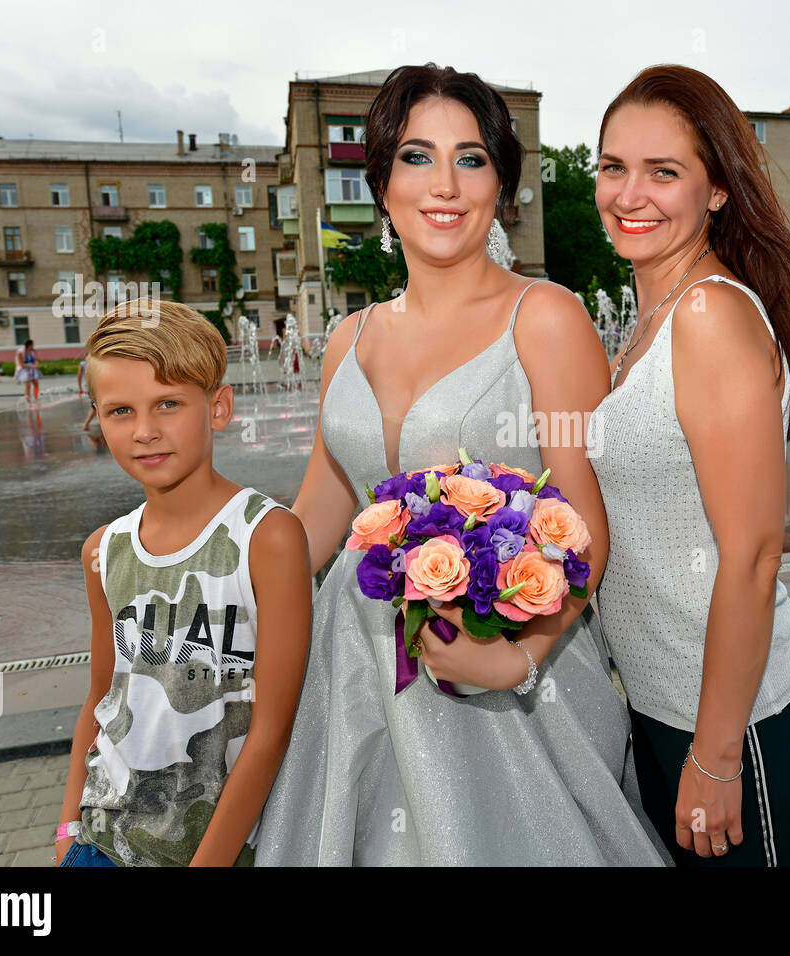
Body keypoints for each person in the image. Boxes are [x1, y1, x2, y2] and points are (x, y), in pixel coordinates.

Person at [253, 64, 667, 866]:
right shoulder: (350, 336)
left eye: (472, 158)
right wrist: (203, 575)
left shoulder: (546, 319)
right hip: (354, 671)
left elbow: (584, 527)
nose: (444, 183)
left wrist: (517, 656)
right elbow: (318, 513)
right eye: (416, 156)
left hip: (505, 679)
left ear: (502, 186)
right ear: (379, 181)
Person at [587, 64, 790, 867]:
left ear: (717, 190)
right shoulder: (650, 319)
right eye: (614, 168)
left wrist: (717, 754)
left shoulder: (709, 316)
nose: (631, 195)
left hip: (738, 718)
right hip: (664, 702)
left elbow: (755, 556)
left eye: (664, 172)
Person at [56, 299, 311, 867]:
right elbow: (100, 696)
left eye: (168, 404)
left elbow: (272, 731)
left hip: (222, 849)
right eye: (120, 411)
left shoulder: (266, 538)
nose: (145, 431)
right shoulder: (103, 550)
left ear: (218, 407)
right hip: (102, 844)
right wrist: (68, 826)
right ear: (97, 420)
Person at [14, 339, 41, 406]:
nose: (33, 346)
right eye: (32, 345)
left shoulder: (32, 351)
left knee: (36, 384)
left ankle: (36, 399)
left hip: (32, 369)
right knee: (28, 386)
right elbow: (21, 364)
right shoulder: (20, 352)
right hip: (23, 370)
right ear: (29, 345)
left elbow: (35, 360)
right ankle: (28, 402)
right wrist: (33, 366)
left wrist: (36, 364)